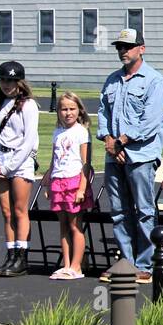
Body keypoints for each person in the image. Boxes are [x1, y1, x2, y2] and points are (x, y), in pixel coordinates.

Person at [97, 29, 163, 283]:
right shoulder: (112, 80)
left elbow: (150, 122)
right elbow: (103, 112)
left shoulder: (154, 81)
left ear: (142, 48)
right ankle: (125, 261)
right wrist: (108, 139)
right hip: (113, 154)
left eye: (128, 46)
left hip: (140, 155)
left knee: (144, 211)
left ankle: (145, 264)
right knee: (118, 211)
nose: (123, 51)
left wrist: (121, 142)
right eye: (120, 46)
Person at [0, 61, 40, 278]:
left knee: (20, 210)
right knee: (6, 213)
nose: (6, 84)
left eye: (10, 80)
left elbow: (28, 141)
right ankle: (10, 254)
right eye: (3, 80)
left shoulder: (28, 106)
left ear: (19, 82)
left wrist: (9, 166)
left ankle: (21, 256)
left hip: (19, 161)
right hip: (0, 158)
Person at [46, 92, 94, 279]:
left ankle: (77, 266)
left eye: (72, 109)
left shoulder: (82, 132)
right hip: (59, 180)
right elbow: (54, 160)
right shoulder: (57, 132)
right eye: (64, 109)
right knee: (63, 225)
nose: (68, 113)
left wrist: (82, 188)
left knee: (75, 225)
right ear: (58, 112)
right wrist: (49, 182)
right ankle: (66, 264)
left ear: (79, 111)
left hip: (75, 180)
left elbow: (86, 163)